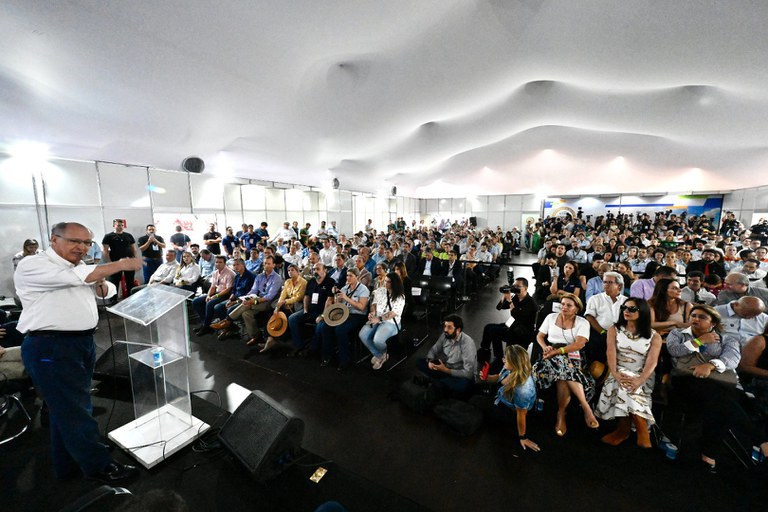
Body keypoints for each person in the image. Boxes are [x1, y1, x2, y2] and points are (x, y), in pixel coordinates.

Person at [15, 221, 142, 482]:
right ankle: (98, 466)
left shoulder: (80, 267)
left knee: (66, 408)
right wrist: (120, 264)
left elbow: (107, 291)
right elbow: (75, 278)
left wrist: (102, 283)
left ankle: (68, 462)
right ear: (54, 240)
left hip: (80, 343)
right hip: (51, 346)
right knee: (75, 409)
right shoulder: (34, 264)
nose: (82, 247)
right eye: (75, 241)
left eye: (86, 243)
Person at [666, 305, 768, 473]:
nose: (696, 319)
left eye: (702, 317)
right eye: (693, 315)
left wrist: (710, 365)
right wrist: (700, 341)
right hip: (686, 380)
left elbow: (732, 359)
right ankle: (760, 441)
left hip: (718, 382)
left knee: (725, 404)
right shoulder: (677, 333)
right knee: (724, 401)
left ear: (713, 323)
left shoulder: (727, 339)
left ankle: (708, 455)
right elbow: (674, 351)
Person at [596, 298, 662, 448]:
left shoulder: (654, 336)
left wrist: (640, 379)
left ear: (642, 312)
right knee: (624, 381)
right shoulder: (614, 330)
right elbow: (610, 354)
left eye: (632, 309)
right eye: (624, 308)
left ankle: (623, 429)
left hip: (643, 375)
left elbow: (652, 362)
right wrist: (615, 373)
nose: (626, 311)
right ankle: (641, 427)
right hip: (617, 370)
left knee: (628, 382)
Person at [533, 293, 599, 436]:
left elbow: (579, 344)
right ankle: (586, 407)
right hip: (551, 354)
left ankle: (561, 414)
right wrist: (545, 348)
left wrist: (558, 352)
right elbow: (539, 336)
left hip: (573, 355)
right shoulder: (551, 317)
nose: (564, 307)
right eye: (562, 304)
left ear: (577, 309)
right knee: (562, 366)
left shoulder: (583, 322)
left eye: (569, 305)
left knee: (563, 374)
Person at [473, 345, 540, 452]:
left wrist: (523, 437)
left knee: (474, 400)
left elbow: (521, 414)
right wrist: (487, 378)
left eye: (506, 359)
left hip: (510, 411)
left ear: (514, 363)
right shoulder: (510, 368)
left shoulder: (523, 390)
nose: (503, 359)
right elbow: (499, 377)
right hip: (503, 395)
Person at [314, 267, 369, 371]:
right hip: (343, 313)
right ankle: (327, 356)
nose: (348, 278)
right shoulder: (345, 288)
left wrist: (346, 298)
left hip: (357, 315)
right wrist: (337, 298)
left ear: (357, 277)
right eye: (347, 275)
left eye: (351, 276)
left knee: (340, 329)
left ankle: (344, 360)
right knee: (325, 326)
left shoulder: (363, 289)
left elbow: (361, 307)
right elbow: (338, 305)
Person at [479, 278, 537, 369]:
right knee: (488, 327)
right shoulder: (516, 297)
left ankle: (499, 358)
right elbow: (499, 307)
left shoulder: (531, 303)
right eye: (514, 286)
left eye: (518, 286)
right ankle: (484, 350)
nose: (515, 288)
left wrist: (510, 301)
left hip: (522, 332)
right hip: (513, 326)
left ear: (525, 288)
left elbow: (518, 317)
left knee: (494, 331)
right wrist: (505, 297)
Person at [417, 315, 477, 396]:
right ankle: (442, 383)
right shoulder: (445, 335)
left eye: (449, 327)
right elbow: (434, 350)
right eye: (445, 326)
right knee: (420, 362)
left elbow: (468, 374)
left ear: (458, 330)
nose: (445, 330)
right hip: (446, 368)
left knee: (463, 385)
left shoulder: (467, 343)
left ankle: (438, 383)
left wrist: (445, 370)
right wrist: (430, 360)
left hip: (461, 375)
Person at [360, 272, 406, 370]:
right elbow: (374, 304)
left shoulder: (400, 296)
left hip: (391, 322)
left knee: (378, 340)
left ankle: (383, 353)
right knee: (363, 334)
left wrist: (378, 319)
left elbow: (393, 313)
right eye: (385, 281)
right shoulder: (380, 290)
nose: (386, 283)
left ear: (394, 283)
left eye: (388, 282)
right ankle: (380, 355)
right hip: (377, 318)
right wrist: (372, 312)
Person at [289, 261, 336, 357]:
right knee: (292, 318)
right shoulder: (311, 281)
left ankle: (312, 350)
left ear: (325, 270)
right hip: (310, 310)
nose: (315, 271)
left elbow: (330, 300)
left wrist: (323, 315)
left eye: (318, 269)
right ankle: (299, 345)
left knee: (320, 326)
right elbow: (306, 297)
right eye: (314, 269)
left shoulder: (330, 282)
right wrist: (305, 310)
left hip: (322, 311)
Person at [259, 264, 307, 353]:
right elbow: (283, 295)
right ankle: (269, 338)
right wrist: (278, 306)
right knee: (270, 313)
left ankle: (275, 339)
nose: (290, 272)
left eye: (292, 270)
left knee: (284, 317)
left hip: (296, 306)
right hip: (286, 305)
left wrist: (285, 302)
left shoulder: (303, 282)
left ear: (298, 272)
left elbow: (298, 297)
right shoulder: (287, 282)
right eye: (288, 270)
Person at [584, 271, 627, 364]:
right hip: (600, 333)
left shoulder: (626, 301)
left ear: (619, 286)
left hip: (621, 335)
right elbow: (589, 316)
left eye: (610, 282)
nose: (606, 285)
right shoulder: (595, 299)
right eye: (604, 282)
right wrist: (603, 332)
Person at [192, 255, 235, 335]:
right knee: (196, 301)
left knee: (210, 303)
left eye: (220, 262)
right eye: (216, 262)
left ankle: (206, 326)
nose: (217, 264)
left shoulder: (230, 273)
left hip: (226, 295)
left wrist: (215, 296)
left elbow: (228, 289)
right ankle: (206, 323)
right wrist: (209, 295)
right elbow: (213, 286)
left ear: (225, 263)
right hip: (217, 293)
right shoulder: (215, 273)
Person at [102, 219, 137, 296]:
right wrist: (109, 262)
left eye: (122, 225)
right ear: (114, 226)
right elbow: (105, 251)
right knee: (114, 282)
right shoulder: (108, 236)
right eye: (118, 225)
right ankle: (113, 300)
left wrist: (134, 259)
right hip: (115, 262)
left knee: (130, 281)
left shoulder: (129, 235)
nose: (120, 227)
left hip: (129, 262)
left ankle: (131, 298)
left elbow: (133, 248)